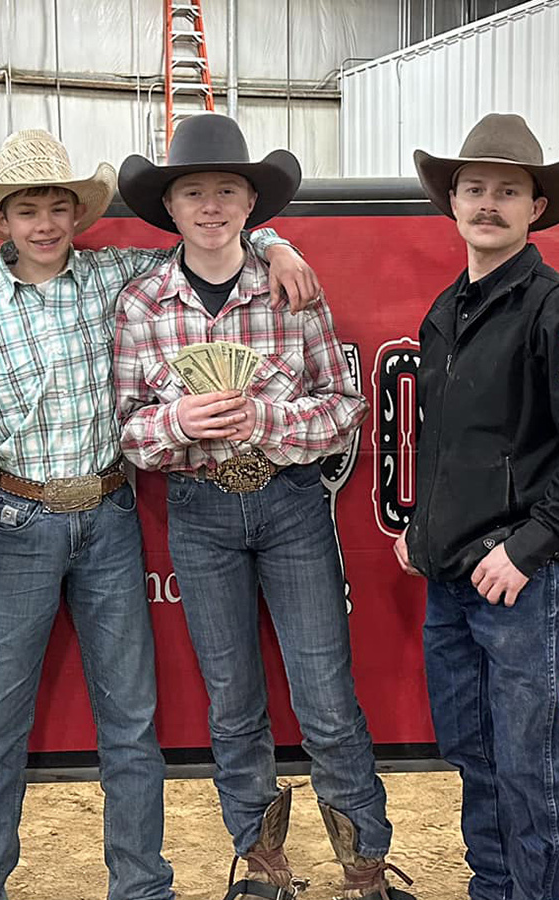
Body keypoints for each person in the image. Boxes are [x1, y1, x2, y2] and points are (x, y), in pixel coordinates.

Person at [0, 128, 320, 900]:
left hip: (109, 512)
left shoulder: (118, 275)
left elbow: (212, 242)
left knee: (130, 721)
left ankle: (142, 885)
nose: (47, 223)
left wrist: (277, 242)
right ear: (3, 223)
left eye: (59, 207)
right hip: (21, 521)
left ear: (77, 216)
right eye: (28, 210)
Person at [113, 113, 412, 900]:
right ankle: (264, 868)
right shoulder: (143, 303)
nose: (210, 206)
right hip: (199, 509)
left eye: (227, 191)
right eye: (193, 192)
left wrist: (268, 421)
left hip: (290, 503)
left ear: (252, 205)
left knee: (325, 695)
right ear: (169, 207)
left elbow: (345, 402)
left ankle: (364, 870)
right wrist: (177, 421)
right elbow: (130, 432)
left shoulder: (293, 287)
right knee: (232, 698)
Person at [395, 113, 559, 900]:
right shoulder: (447, 313)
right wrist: (422, 533)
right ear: (452, 203)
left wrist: (526, 548)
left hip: (523, 583)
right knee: (477, 757)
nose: (488, 204)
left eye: (508, 190)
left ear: (537, 207)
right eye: (474, 189)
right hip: (453, 581)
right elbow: (457, 448)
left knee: (530, 769)